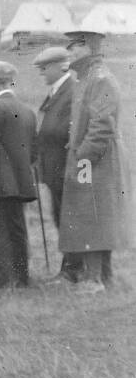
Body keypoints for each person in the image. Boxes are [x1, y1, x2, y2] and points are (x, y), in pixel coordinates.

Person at [56, 30, 129, 291]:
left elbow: (101, 126)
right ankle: (102, 276)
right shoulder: (88, 78)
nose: (70, 50)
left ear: (89, 48)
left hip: (97, 159)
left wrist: (81, 155)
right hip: (92, 157)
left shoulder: (100, 79)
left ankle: (94, 279)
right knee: (90, 214)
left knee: (93, 216)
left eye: (75, 45)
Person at [0, 60, 38, 288]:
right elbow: (34, 151)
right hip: (22, 181)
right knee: (17, 229)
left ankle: (1, 279)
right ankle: (22, 278)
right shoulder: (27, 110)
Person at [32, 46, 78, 281]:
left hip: (64, 167)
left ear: (62, 66)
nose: (42, 73)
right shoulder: (56, 91)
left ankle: (72, 270)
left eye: (45, 68)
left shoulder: (71, 90)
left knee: (67, 218)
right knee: (59, 216)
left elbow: (64, 130)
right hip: (53, 168)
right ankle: (68, 268)